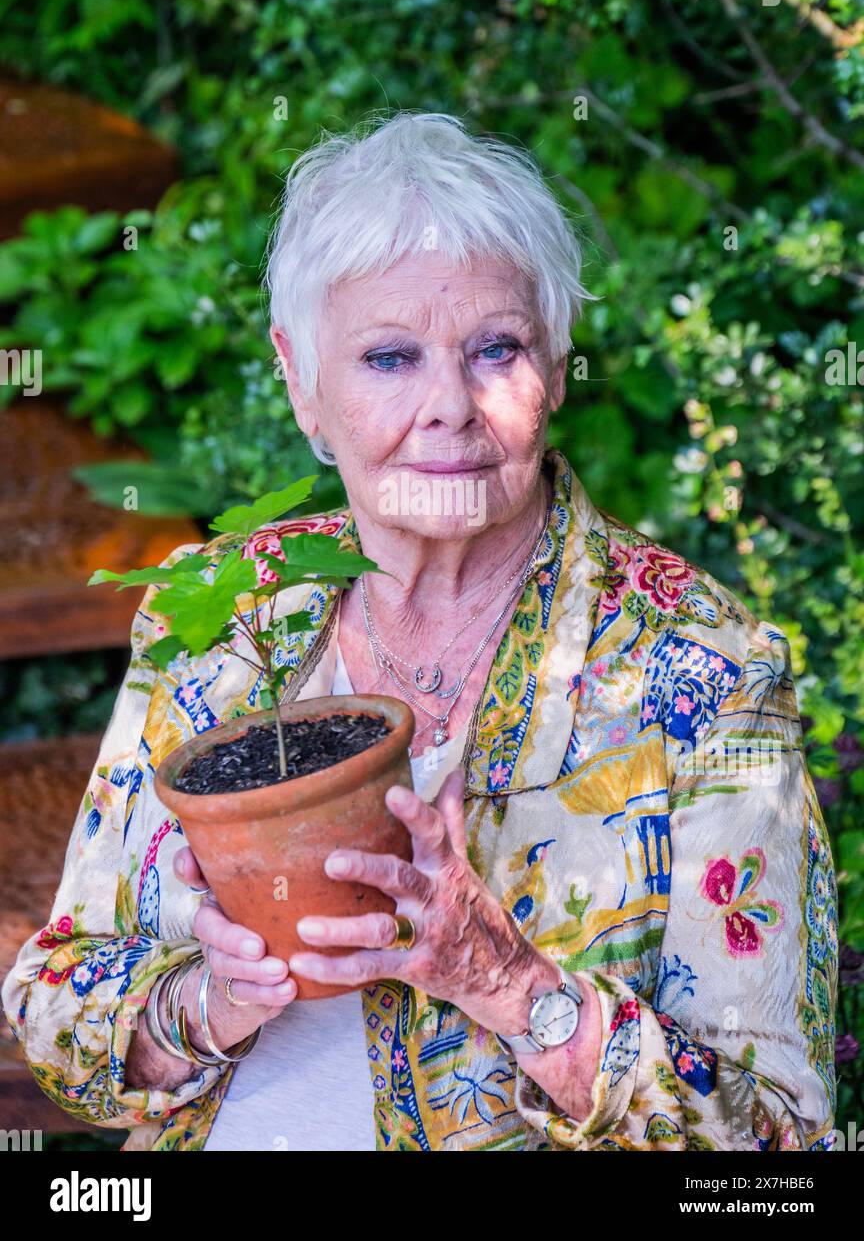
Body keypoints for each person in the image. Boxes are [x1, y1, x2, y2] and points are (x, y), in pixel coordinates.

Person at [2, 112, 837, 1151]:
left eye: (497, 349)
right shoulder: (222, 617)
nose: (449, 404)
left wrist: (508, 981)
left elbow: (785, 1145)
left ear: (560, 368)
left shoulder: (705, 673)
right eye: (389, 357)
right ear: (302, 383)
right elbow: (53, 1002)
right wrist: (206, 1004)